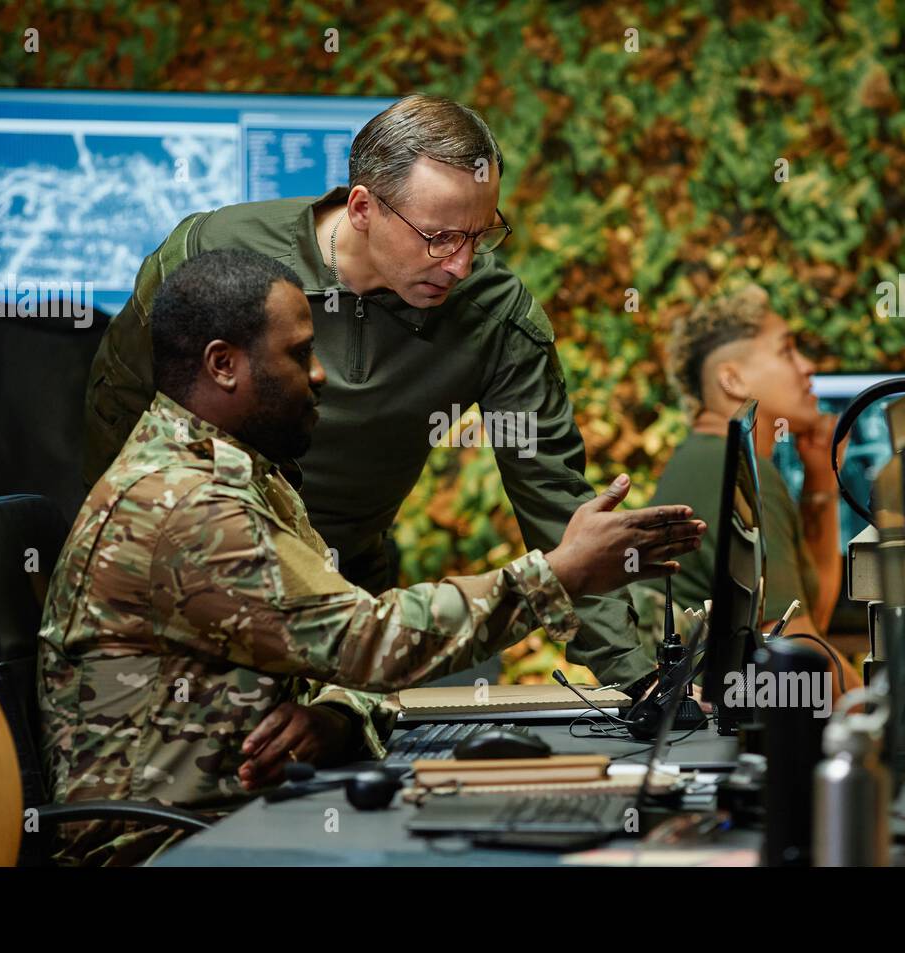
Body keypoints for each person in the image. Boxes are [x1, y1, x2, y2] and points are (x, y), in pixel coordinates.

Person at [39, 249, 704, 865]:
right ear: (223, 365)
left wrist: (335, 717)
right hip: (166, 848)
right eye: (299, 355)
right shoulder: (186, 506)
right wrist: (558, 575)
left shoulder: (234, 472)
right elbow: (366, 641)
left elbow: (327, 649)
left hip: (244, 815)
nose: (321, 375)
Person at [82, 94, 659, 698]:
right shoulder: (213, 258)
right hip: (203, 578)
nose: (460, 266)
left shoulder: (492, 317)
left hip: (349, 596)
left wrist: (637, 676)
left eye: (480, 236)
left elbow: (553, 495)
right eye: (438, 237)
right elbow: (119, 430)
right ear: (362, 207)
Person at [640, 284, 860, 692]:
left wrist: (821, 483)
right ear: (733, 379)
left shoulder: (712, 455)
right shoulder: (732, 468)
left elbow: (808, 618)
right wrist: (899, 718)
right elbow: (796, 658)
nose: (808, 366)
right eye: (787, 351)